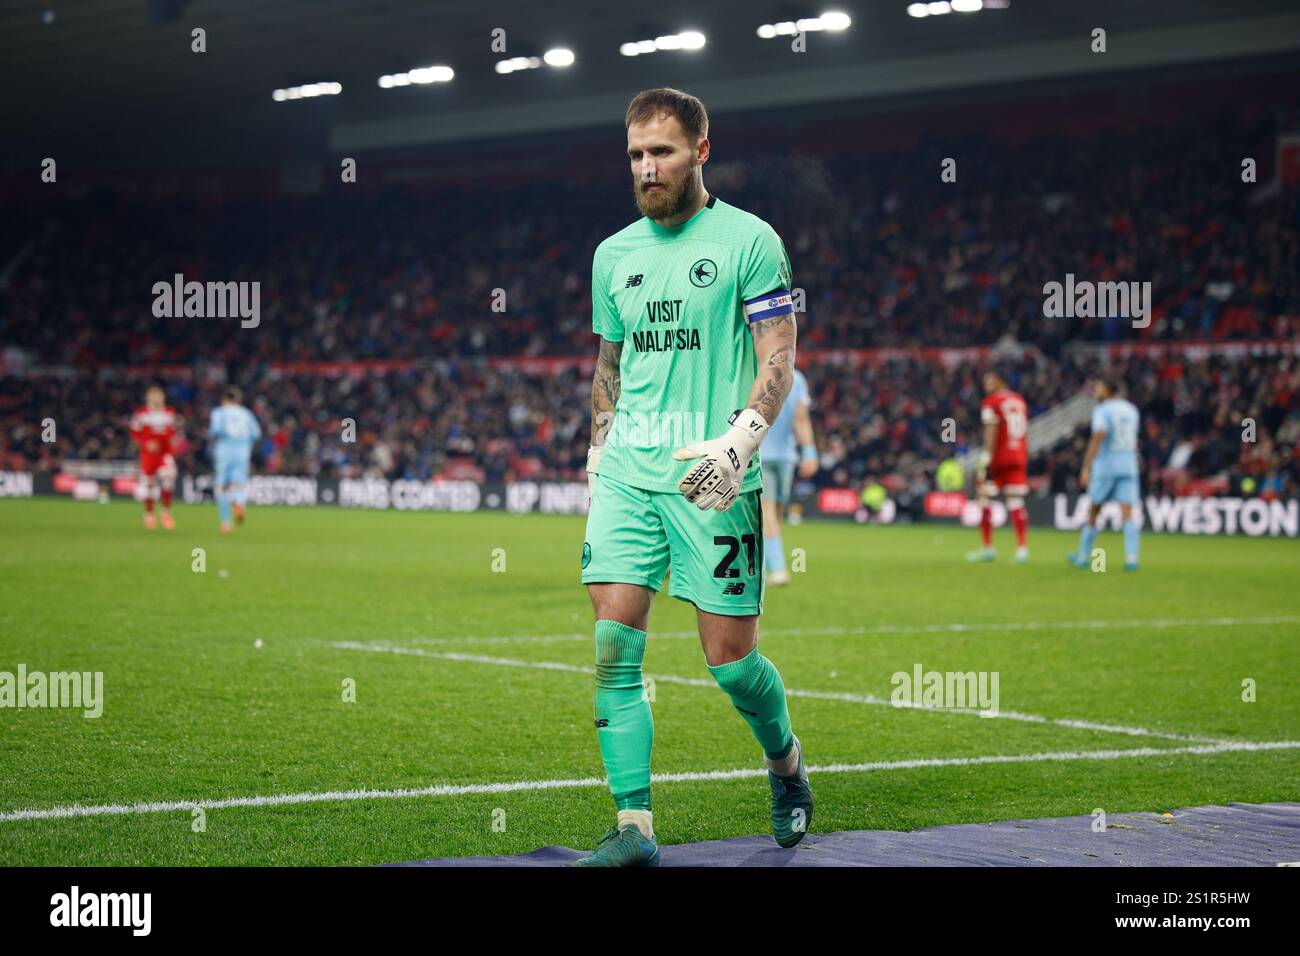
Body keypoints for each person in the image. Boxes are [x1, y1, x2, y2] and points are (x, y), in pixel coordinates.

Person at [577, 88, 812, 866]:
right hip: (629, 474)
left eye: (663, 151)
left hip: (714, 475)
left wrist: (739, 445)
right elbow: (609, 366)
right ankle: (634, 827)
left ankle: (787, 767)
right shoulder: (613, 255)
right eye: (637, 154)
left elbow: (778, 357)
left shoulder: (750, 240)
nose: (647, 167)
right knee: (614, 643)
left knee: (732, 663)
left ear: (701, 150)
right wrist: (597, 453)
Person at [1069, 379, 1141, 571]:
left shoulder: (1103, 410)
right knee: (1128, 514)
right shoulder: (1132, 410)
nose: (1096, 391)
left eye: (1099, 388)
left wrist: (1086, 466)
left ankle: (1084, 556)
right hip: (1128, 465)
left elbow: (1098, 435)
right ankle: (1131, 559)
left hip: (1106, 466)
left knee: (1094, 510)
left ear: (1108, 390)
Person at [760, 367, 817, 585]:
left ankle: (777, 567)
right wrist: (809, 451)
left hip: (762, 452)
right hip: (786, 456)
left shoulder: (755, 372)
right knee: (773, 510)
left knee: (769, 511)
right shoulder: (797, 377)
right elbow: (801, 418)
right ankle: (772, 564)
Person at [967, 370, 1030, 563]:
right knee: (1016, 502)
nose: (986, 385)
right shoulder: (1019, 401)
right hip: (1018, 456)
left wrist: (986, 458)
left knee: (984, 497)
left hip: (998, 458)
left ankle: (987, 548)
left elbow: (991, 431)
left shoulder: (991, 403)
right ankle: (1022, 550)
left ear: (1000, 381)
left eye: (989, 381)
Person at [208, 386, 261, 533]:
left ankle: (226, 523)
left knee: (222, 487)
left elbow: (214, 431)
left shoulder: (219, 412)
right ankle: (239, 502)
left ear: (224, 399)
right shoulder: (246, 413)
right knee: (239, 485)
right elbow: (256, 433)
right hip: (242, 453)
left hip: (224, 452)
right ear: (238, 399)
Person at [129, 385, 180, 530]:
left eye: (159, 395)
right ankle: (150, 514)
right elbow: (134, 434)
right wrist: (146, 443)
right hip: (148, 454)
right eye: (153, 395)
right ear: (148, 398)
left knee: (168, 479)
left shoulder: (170, 413)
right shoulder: (141, 414)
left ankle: (165, 513)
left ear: (163, 397)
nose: (156, 398)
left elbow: (175, 431)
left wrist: (172, 442)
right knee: (149, 486)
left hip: (165, 453)